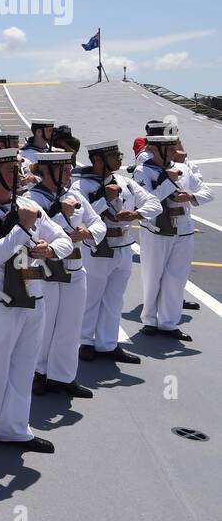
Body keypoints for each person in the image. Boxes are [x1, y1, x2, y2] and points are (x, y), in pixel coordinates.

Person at [0, 148, 71, 452]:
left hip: (32, 296)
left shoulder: (28, 204)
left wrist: (51, 251)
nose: (18, 175)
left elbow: (61, 237)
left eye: (17, 169)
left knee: (24, 366)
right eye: (10, 170)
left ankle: (16, 428)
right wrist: (22, 229)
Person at [73, 140, 159, 364]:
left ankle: (107, 343)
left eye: (120, 154)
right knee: (92, 297)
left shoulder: (125, 182)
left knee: (114, 299)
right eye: (115, 155)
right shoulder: (80, 187)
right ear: (98, 159)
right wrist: (105, 199)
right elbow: (81, 217)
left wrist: (136, 214)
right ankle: (86, 341)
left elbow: (154, 203)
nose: (120, 158)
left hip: (123, 246)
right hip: (97, 249)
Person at [25, 151, 100, 398]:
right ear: (48, 172)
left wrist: (86, 232)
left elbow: (97, 221)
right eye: (64, 169)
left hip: (74, 268)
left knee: (71, 324)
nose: (70, 172)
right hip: (47, 271)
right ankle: (38, 372)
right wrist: (60, 211)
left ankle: (63, 376)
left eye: (69, 168)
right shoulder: (31, 199)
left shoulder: (74, 195)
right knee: (44, 325)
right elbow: (32, 233)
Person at [135, 127, 212, 340]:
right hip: (157, 230)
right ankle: (150, 319)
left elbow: (208, 192)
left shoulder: (183, 168)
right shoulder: (143, 171)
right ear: (155, 149)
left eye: (172, 147)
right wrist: (168, 182)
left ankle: (169, 323)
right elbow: (147, 199)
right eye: (167, 148)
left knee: (176, 277)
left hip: (184, 228)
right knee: (153, 275)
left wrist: (191, 197)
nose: (173, 151)